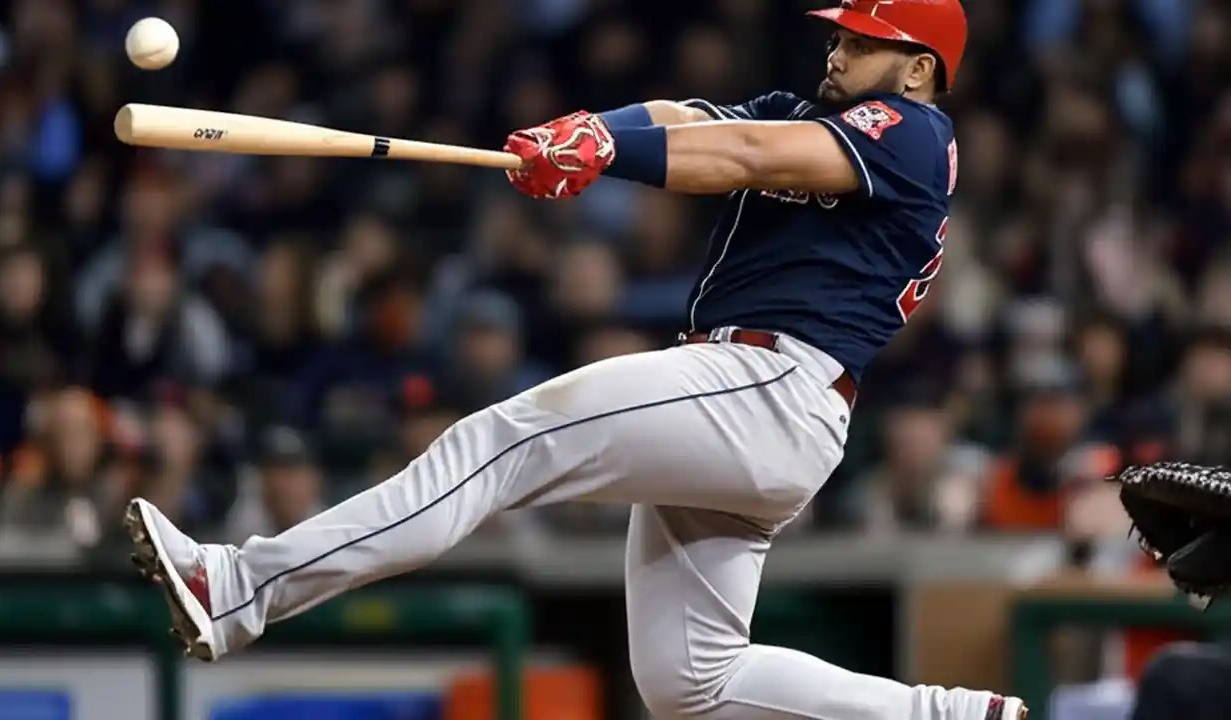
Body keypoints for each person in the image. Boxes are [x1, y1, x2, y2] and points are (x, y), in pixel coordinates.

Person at [125, 1, 1026, 718]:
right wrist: (592, 131)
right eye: (839, 34)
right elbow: (694, 120)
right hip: (765, 409)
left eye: (865, 42)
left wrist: (611, 152)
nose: (838, 50)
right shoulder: (810, 112)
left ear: (919, 69)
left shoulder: (914, 131)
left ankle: (242, 584)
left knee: (503, 440)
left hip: (769, 386)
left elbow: (744, 153)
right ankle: (946, 716)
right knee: (690, 683)